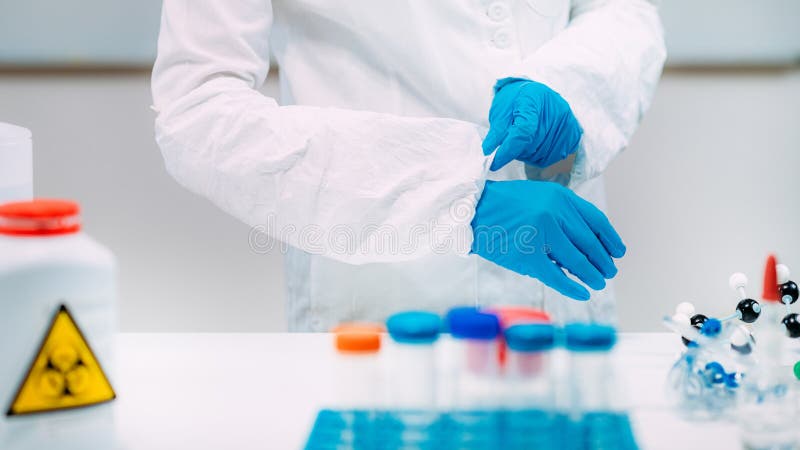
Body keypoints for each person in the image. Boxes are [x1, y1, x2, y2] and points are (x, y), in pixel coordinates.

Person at [151, 0, 666, 331]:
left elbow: (621, 11)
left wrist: (568, 87)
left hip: (560, 300)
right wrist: (453, 195)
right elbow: (199, 108)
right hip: (385, 307)